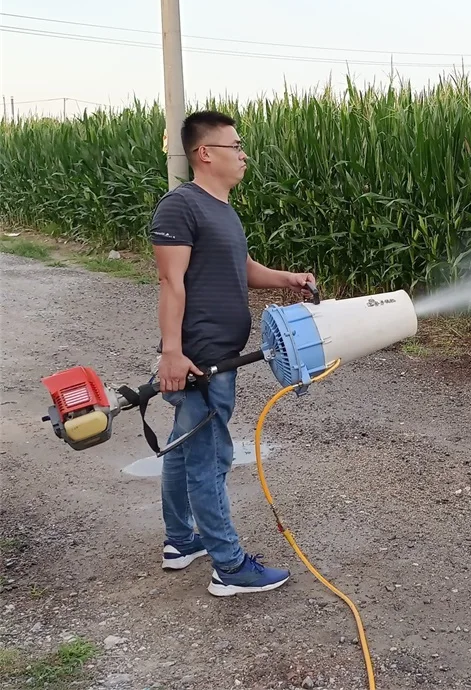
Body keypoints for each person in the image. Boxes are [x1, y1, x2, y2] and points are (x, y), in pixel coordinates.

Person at [148, 110, 315, 596]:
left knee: (183, 453)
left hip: (218, 353)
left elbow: (237, 266)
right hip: (201, 359)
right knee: (210, 458)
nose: (243, 155)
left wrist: (288, 279)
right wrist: (172, 352)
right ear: (205, 153)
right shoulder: (181, 206)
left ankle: (181, 541)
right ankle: (229, 566)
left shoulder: (220, 207)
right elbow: (170, 282)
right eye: (235, 146)